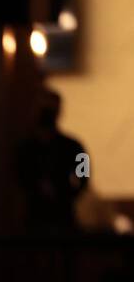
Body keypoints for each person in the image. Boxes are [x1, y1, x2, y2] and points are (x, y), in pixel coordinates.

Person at [15, 87, 88, 231]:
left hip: (61, 213)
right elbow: (19, 175)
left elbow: (84, 176)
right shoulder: (26, 147)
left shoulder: (73, 146)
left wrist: (67, 193)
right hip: (37, 213)